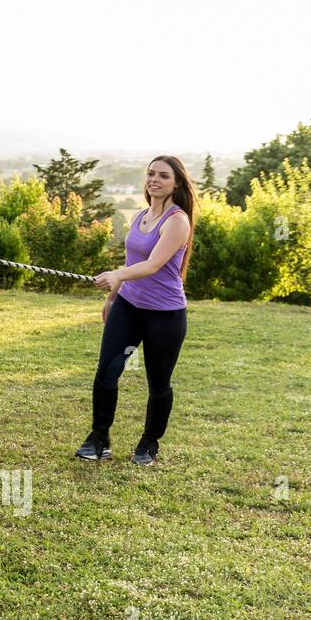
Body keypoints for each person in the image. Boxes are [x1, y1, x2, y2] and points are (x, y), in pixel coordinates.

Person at [76, 155, 197, 465]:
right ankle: (99, 437)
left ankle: (149, 443)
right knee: (107, 370)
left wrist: (116, 276)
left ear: (177, 183)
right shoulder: (140, 216)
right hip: (128, 306)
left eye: (164, 176)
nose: (154, 179)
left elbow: (154, 264)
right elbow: (132, 264)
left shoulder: (177, 220)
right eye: (151, 174)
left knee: (158, 382)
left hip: (164, 314)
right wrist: (113, 297)